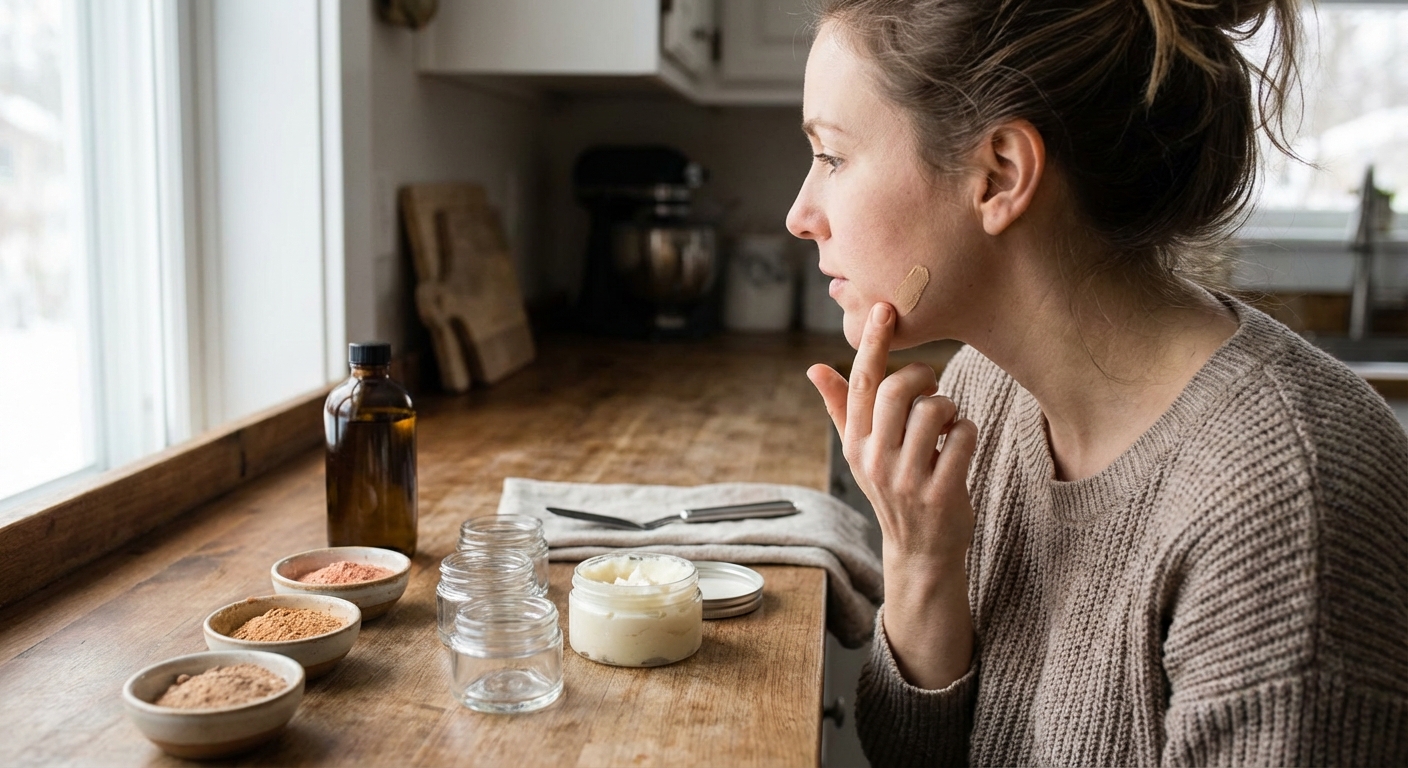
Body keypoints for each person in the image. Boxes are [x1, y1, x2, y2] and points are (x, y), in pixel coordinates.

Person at [786, 0, 1408, 764]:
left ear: (1000, 175)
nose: (800, 215)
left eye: (832, 158)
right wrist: (920, 562)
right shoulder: (986, 390)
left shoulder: (1285, 501)